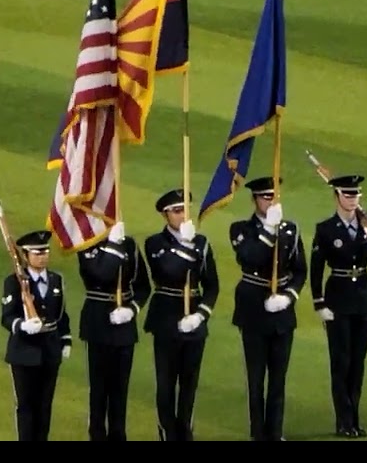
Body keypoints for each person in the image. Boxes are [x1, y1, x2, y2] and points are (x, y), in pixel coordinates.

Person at [310, 174, 367, 438]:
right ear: (337, 196)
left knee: (357, 362)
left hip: (362, 299)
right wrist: (319, 303)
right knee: (341, 362)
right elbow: (316, 270)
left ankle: (355, 419)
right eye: (348, 195)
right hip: (337, 299)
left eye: (356, 195)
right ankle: (343, 421)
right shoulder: (325, 229)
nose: (353, 200)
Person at [228, 176, 307, 441]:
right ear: (254, 200)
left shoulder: (291, 230)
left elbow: (299, 270)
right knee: (255, 380)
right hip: (253, 309)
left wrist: (289, 296)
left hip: (282, 312)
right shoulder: (241, 229)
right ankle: (257, 434)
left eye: (274, 196)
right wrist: (268, 230)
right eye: (265, 197)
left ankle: (275, 433)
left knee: (278, 380)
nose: (270, 201)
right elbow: (249, 257)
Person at [141, 188, 220, 441]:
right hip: (165, 318)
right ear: (166, 215)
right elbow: (169, 271)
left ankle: (185, 433)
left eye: (185, 209)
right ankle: (167, 434)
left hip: (193, 320)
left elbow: (212, 284)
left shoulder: (202, 243)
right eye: (176, 211)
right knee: (166, 385)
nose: (182, 214)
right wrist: (185, 246)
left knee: (189, 384)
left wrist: (201, 315)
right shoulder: (155, 243)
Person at [76, 220, 151, 441]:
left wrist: (132, 310)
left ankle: (119, 435)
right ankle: (97, 435)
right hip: (98, 322)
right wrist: (114, 246)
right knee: (99, 389)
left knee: (120, 389)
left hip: (124, 326)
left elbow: (143, 286)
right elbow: (101, 274)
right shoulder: (87, 245)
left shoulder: (129, 245)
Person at [0, 229, 74, 441]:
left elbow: (61, 314)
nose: (43, 257)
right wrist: (22, 326)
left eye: (45, 252)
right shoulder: (14, 281)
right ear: (25, 256)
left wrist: (65, 339)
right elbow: (6, 316)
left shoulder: (56, 280)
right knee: (26, 405)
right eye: (37, 253)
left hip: (49, 350)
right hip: (24, 351)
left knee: (44, 406)